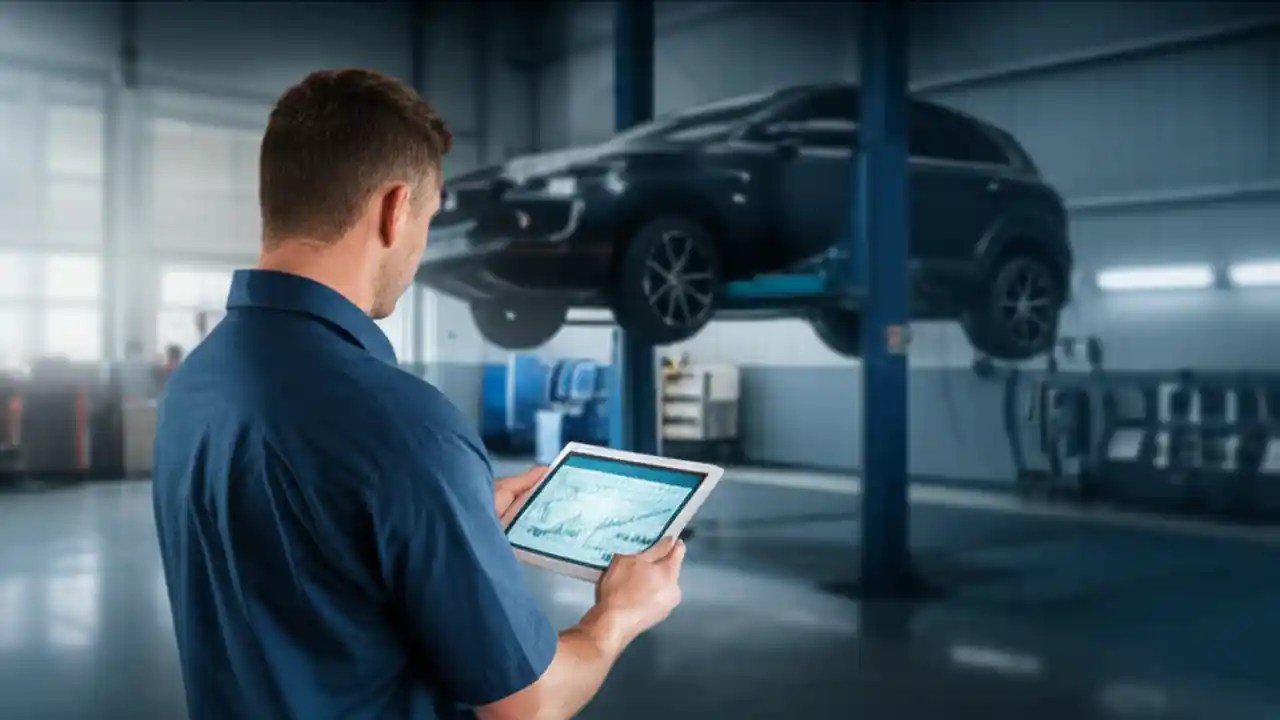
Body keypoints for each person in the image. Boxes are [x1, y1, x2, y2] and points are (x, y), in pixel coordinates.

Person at [152, 69, 685, 720]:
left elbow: (296, 562)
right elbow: (528, 705)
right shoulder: (406, 424)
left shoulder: (199, 379)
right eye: (428, 220)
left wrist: (450, 515)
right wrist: (618, 615)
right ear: (395, 208)